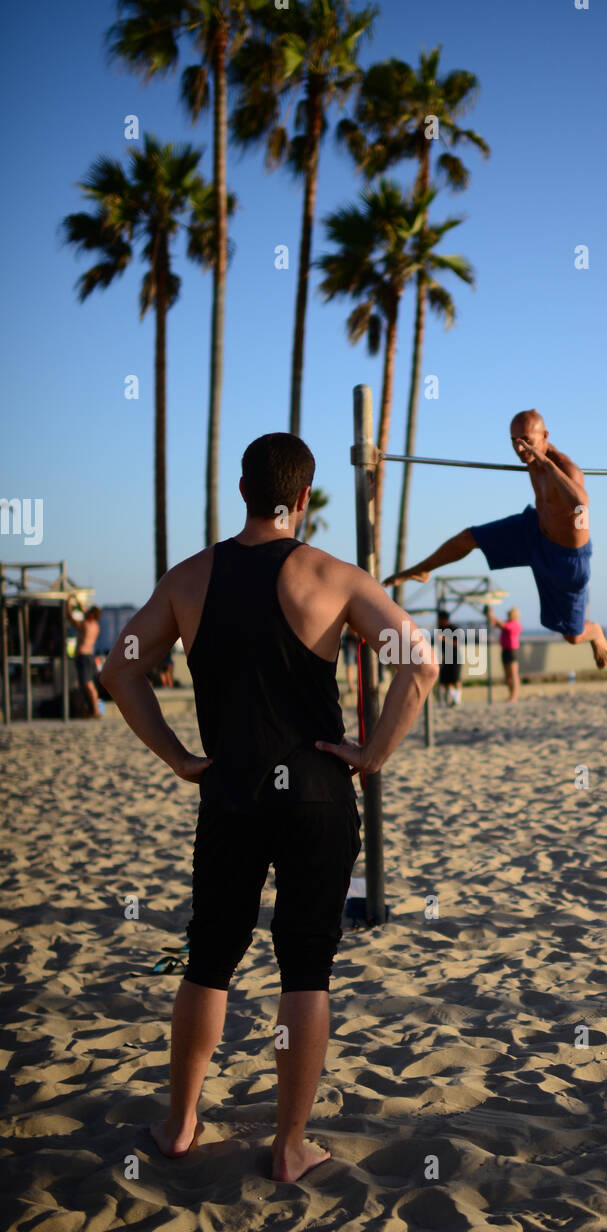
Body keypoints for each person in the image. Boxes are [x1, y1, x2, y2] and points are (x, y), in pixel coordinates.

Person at [100, 432, 438, 1183]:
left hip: (230, 793)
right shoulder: (333, 576)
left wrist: (180, 757)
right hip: (317, 793)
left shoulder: (190, 579)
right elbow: (421, 659)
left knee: (208, 957)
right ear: (306, 498)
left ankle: (181, 1123)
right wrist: (374, 752)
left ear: (243, 491)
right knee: (305, 968)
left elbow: (118, 672)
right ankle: (289, 1146)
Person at [384, 409, 607, 667]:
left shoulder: (565, 468)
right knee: (470, 537)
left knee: (573, 635)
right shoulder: (530, 456)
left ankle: (596, 632)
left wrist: (546, 463)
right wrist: (535, 454)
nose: (520, 447)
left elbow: (582, 503)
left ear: (545, 436)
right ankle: (423, 569)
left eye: (526, 440)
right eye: (514, 440)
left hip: (567, 558)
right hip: (534, 531)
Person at [67, 596, 102, 717]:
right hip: (89, 655)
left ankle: (96, 710)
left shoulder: (86, 625)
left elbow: (72, 620)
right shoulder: (96, 626)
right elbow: (86, 615)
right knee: (87, 684)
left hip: (83, 655)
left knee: (88, 684)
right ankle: (92, 709)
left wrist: (69, 605)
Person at [488, 605, 522, 702]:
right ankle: (510, 694)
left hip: (512, 650)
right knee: (507, 676)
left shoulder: (515, 624)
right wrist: (490, 615)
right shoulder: (508, 623)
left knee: (513, 674)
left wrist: (492, 615)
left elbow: (501, 624)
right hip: (505, 650)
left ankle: (514, 696)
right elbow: (495, 623)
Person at [435, 608, 463, 706]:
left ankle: (456, 699)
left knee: (455, 678)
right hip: (445, 657)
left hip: (455, 657)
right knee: (446, 680)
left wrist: (445, 639)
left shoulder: (454, 629)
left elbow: (458, 643)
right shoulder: (440, 630)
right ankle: (449, 699)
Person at [341, 625, 359, 695]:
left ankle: (354, 685)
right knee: (349, 664)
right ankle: (351, 685)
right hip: (350, 638)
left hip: (356, 638)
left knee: (353, 664)